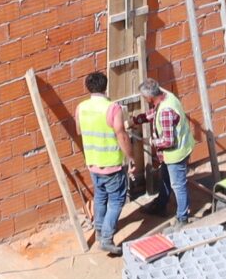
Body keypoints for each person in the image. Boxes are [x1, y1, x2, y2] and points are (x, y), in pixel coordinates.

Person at [77, 70, 130, 256]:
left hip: (93, 162)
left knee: (100, 197)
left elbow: (80, 130)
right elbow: (121, 134)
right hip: (112, 164)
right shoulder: (113, 108)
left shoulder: (81, 108)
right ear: (105, 86)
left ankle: (99, 231)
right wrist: (129, 156)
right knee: (116, 200)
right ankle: (107, 238)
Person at [141, 77, 195, 225]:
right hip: (178, 149)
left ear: (150, 97)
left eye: (145, 97)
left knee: (178, 185)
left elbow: (168, 141)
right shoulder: (167, 96)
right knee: (165, 177)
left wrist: (152, 142)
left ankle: (182, 218)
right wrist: (138, 120)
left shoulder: (165, 111)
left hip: (175, 153)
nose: (145, 100)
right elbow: (155, 112)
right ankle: (161, 205)